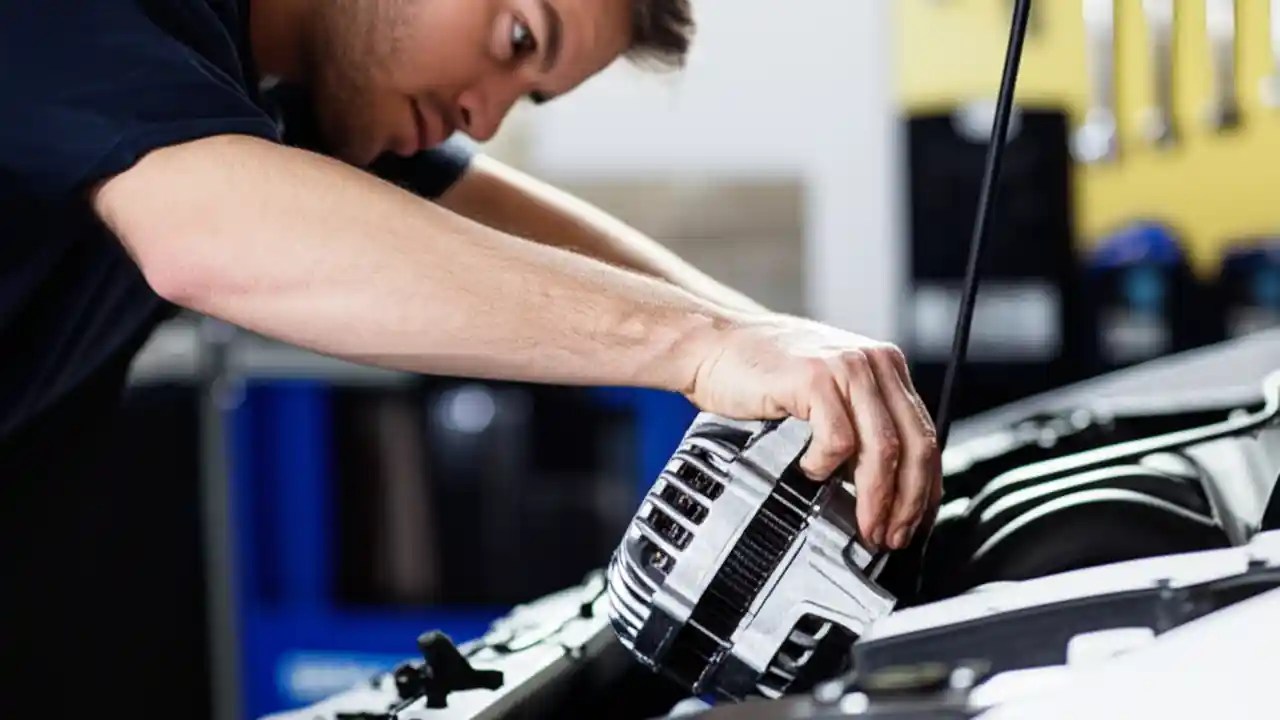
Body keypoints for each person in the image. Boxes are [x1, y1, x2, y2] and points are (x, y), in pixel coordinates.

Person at [0, 0, 940, 711]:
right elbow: (203, 229)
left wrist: (796, 356)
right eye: (518, 40)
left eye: (526, 95)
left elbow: (468, 203)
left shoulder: (263, 90)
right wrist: (705, 346)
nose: (482, 117)